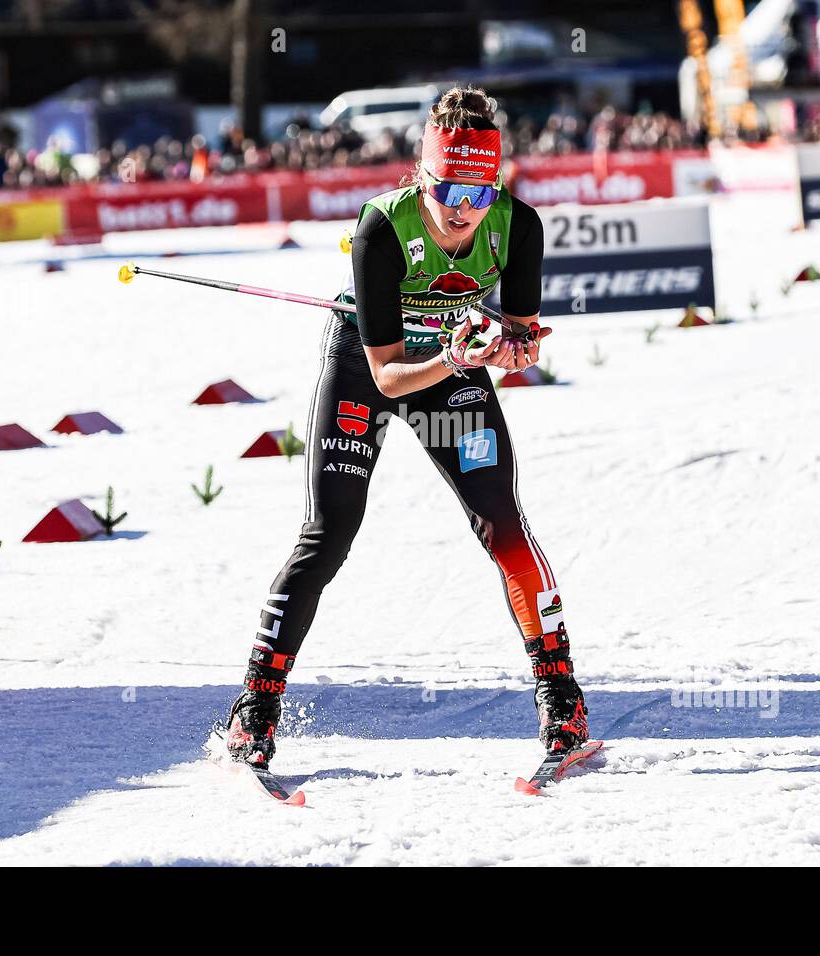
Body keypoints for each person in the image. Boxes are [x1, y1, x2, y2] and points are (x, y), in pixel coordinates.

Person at [222, 86, 589, 767]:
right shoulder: (381, 229)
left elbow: (521, 338)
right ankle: (256, 706)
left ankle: (562, 698)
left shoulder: (520, 227)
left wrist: (511, 348)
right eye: (448, 190)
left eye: (478, 196)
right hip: (371, 368)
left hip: (450, 369)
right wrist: (455, 355)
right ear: (423, 177)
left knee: (502, 523)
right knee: (329, 535)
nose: (461, 211)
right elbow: (388, 377)